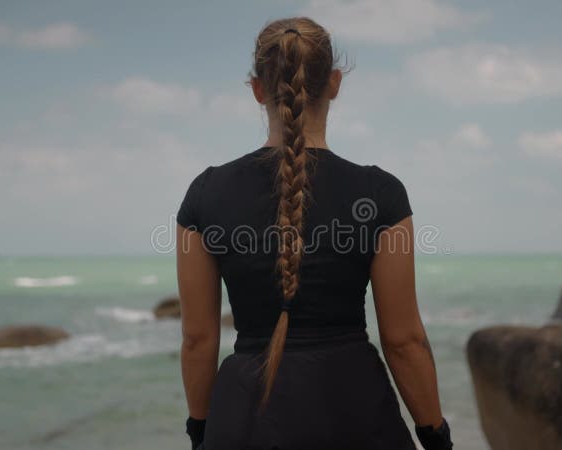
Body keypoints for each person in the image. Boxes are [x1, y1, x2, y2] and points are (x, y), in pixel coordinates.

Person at [176, 16, 452, 450]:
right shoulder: (381, 194)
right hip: (357, 414)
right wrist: (434, 434)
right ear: (335, 83)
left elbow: (198, 339)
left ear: (258, 90)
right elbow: (404, 340)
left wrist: (199, 429)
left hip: (243, 420)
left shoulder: (206, 193)